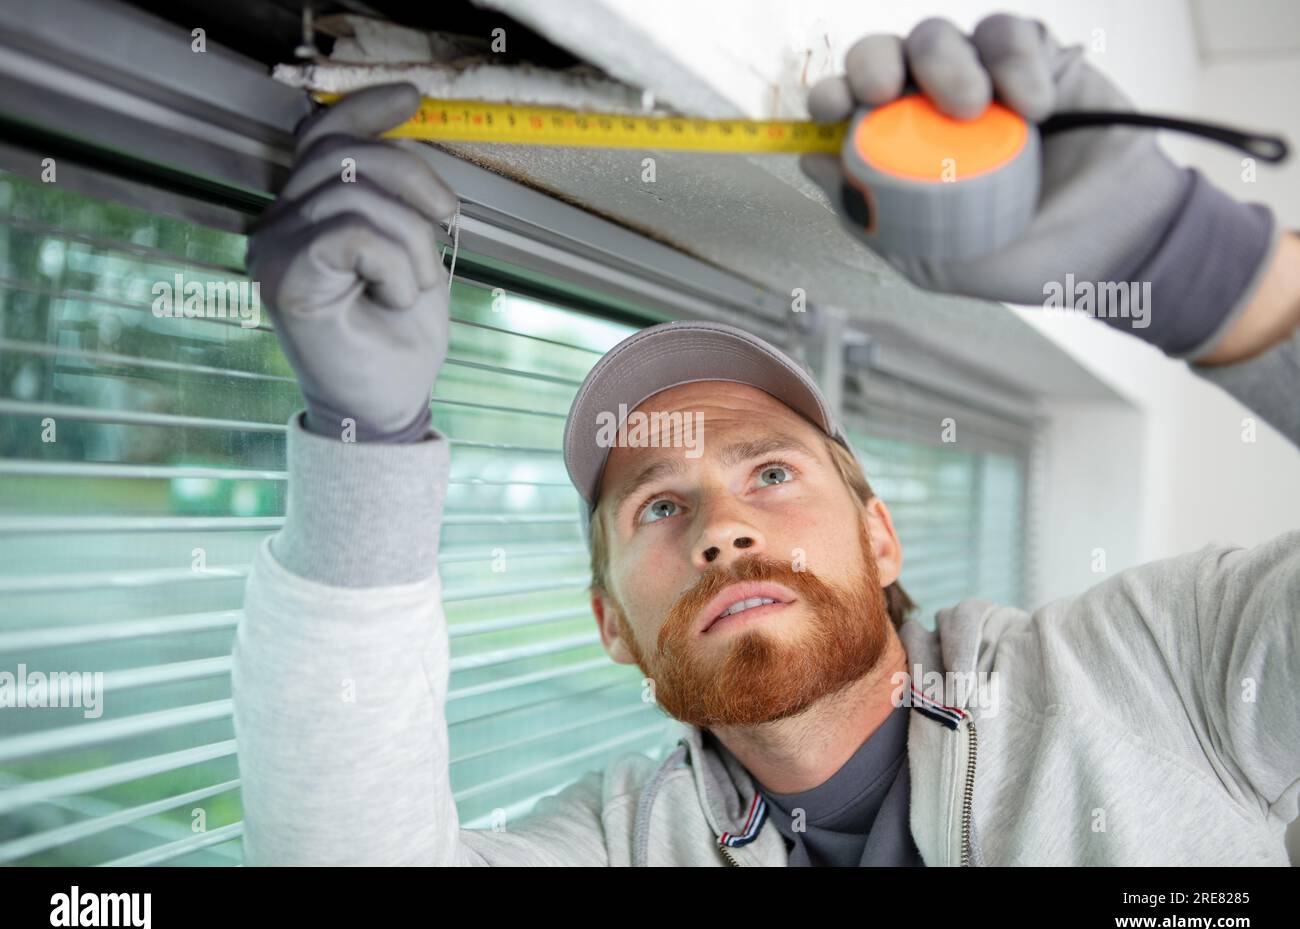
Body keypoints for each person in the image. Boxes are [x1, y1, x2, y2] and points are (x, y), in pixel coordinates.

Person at [233, 13, 1300, 865]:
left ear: (880, 536)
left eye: (772, 470)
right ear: (612, 624)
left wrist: (1201, 266)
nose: (723, 528)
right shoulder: (620, 840)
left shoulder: (1169, 668)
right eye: (657, 504)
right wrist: (363, 449)